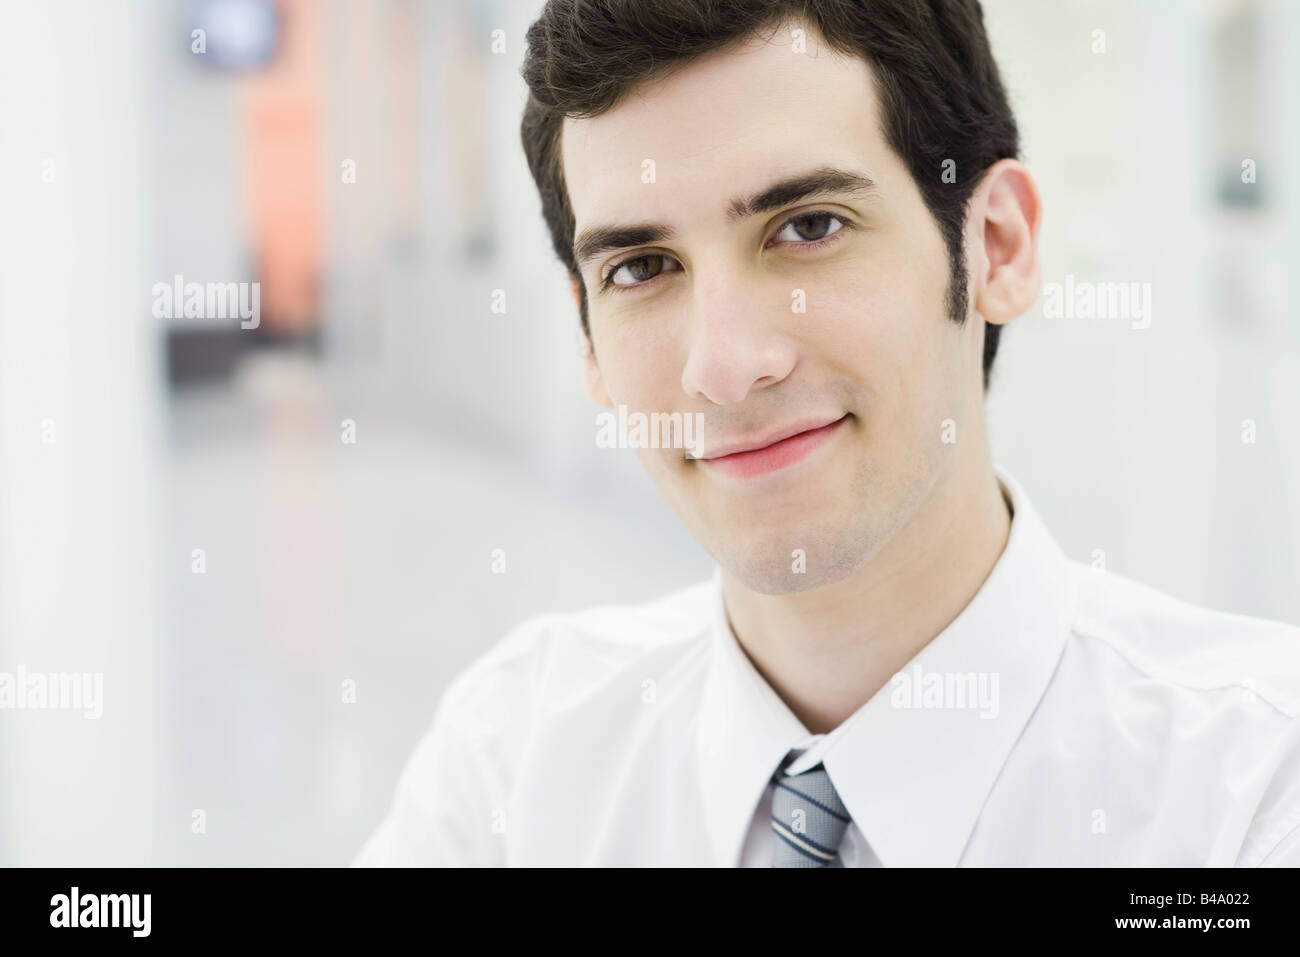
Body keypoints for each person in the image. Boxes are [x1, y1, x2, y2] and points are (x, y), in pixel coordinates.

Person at [354, 0, 1300, 867]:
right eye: (642, 267)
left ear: (997, 247)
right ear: (587, 340)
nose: (722, 366)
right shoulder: (512, 760)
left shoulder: (1248, 792)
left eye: (808, 225)